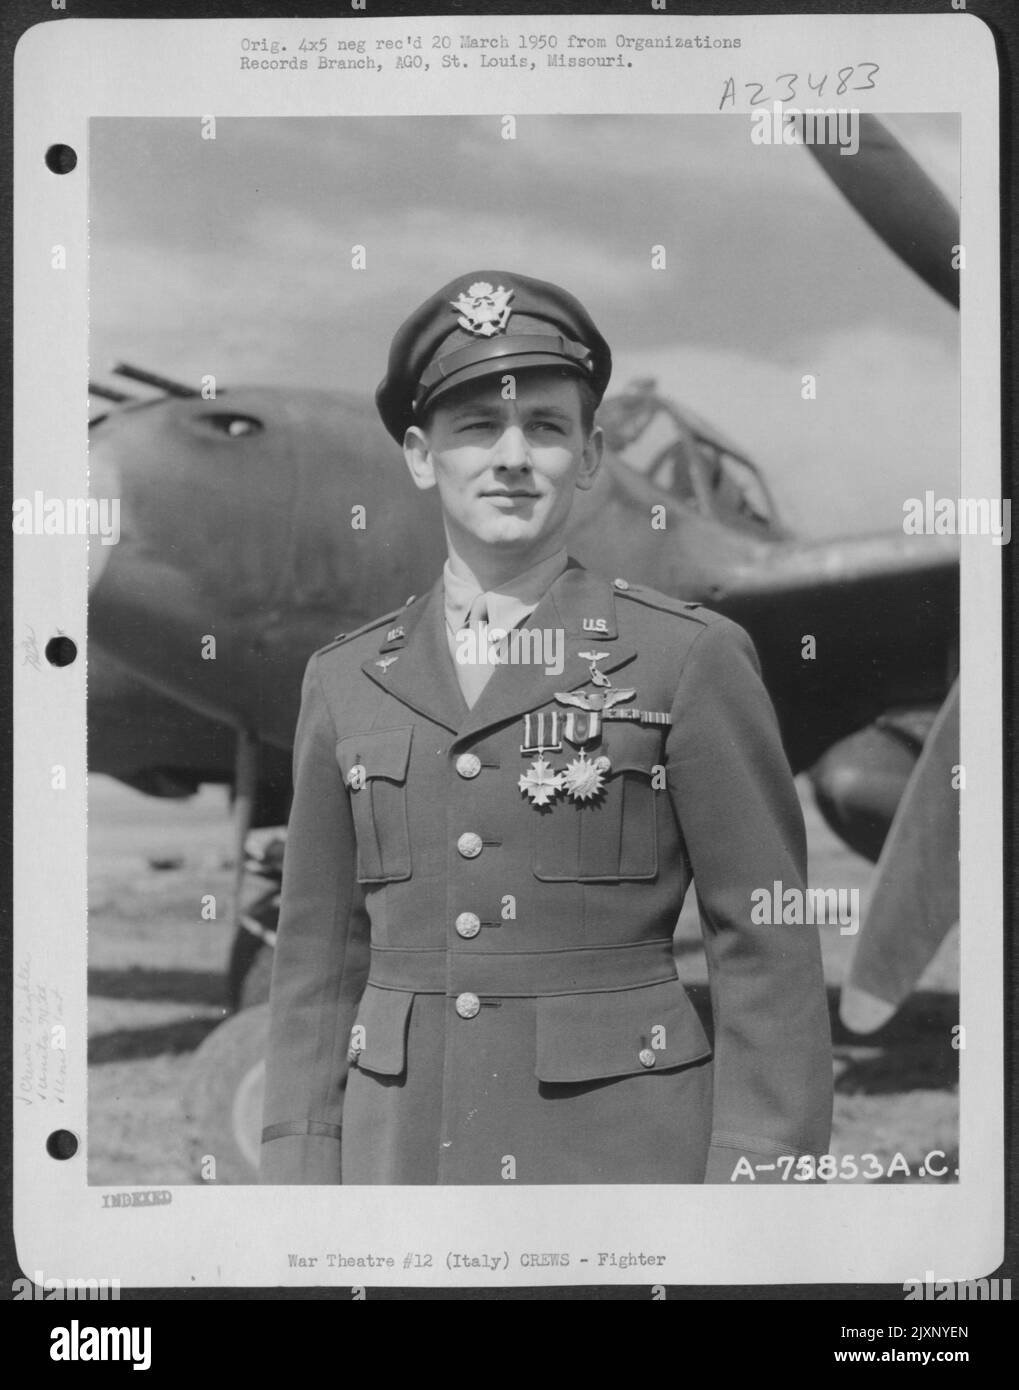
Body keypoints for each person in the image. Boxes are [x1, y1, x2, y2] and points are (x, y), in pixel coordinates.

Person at [259, 270, 832, 1185]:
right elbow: (318, 962)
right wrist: (298, 1177)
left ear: (592, 455)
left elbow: (765, 942)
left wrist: (759, 1181)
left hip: (622, 1165)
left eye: (547, 428)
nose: (513, 456)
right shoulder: (342, 681)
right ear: (418, 454)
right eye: (477, 427)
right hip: (395, 1165)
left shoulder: (688, 657)